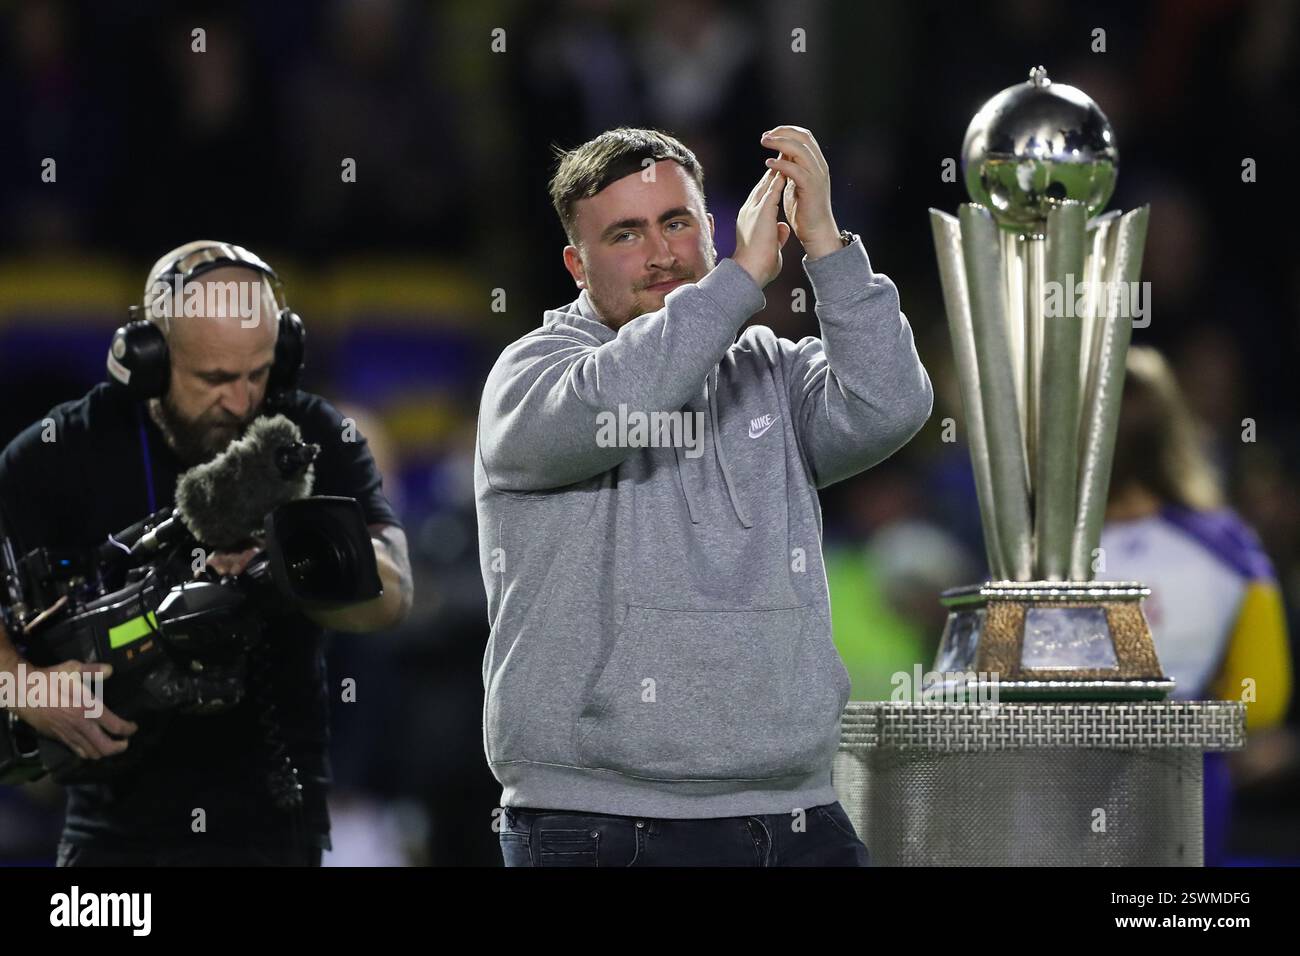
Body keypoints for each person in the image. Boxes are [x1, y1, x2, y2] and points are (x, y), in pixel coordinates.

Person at [475, 127, 932, 866]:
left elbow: (890, 405)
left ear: (711, 230)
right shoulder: (531, 378)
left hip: (794, 811)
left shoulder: (772, 375)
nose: (661, 253)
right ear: (576, 265)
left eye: (677, 223)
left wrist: (826, 247)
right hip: (598, 821)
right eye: (626, 234)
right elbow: (626, 394)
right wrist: (740, 281)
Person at [0, 240, 413, 866]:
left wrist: (289, 556)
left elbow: (394, 596)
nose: (241, 400)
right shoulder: (64, 448)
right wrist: (21, 683)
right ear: (149, 358)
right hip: (112, 838)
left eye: (259, 373)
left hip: (280, 829)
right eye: (215, 379)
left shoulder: (313, 435)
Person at [1098, 345, 1292, 864]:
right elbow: (1264, 696)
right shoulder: (1230, 550)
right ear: (1173, 431)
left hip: (1059, 782)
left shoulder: (1037, 553)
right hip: (1186, 782)